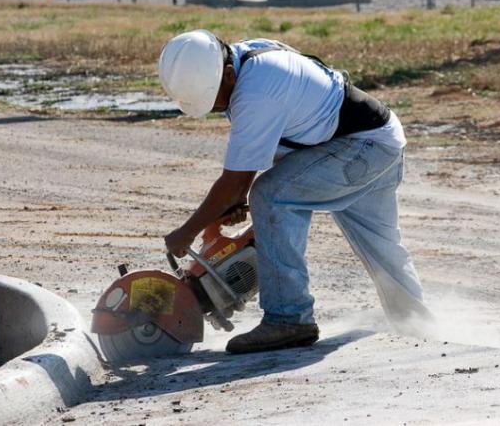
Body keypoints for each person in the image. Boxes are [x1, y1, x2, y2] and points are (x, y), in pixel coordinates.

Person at [160, 30, 430, 354]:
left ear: (227, 75)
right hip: (380, 140)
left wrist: (187, 232)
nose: (216, 109)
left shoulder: (257, 91)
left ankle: (289, 318)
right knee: (379, 242)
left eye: (213, 101)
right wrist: (223, 210)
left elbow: (235, 183)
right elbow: (248, 170)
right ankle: (415, 321)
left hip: (360, 148)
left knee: (271, 197)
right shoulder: (248, 59)